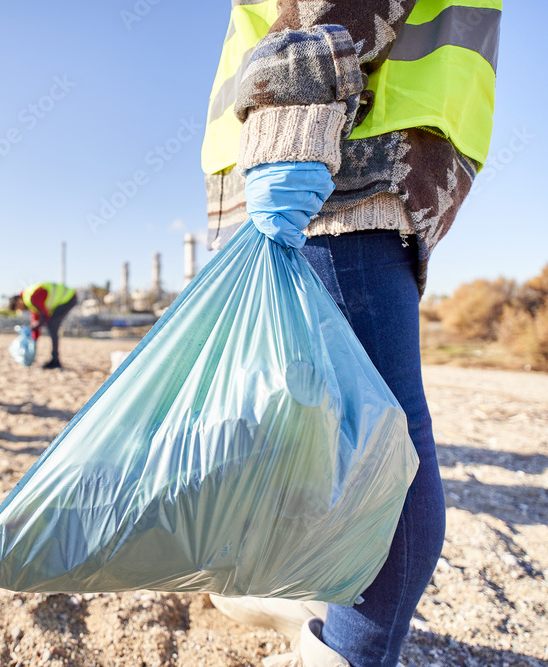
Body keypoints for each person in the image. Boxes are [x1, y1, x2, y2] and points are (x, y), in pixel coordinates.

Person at [200, 2, 500, 666]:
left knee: (377, 446)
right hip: (338, 150)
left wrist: (289, 126)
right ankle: (315, 598)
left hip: (335, 153)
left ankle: (352, 651)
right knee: (335, 431)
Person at [9, 282, 77, 369]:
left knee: (52, 324)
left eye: (19, 308)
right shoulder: (30, 302)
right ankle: (55, 359)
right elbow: (37, 322)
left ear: (19, 301)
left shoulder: (32, 298)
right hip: (65, 298)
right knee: (51, 325)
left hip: (69, 297)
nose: (22, 310)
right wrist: (32, 342)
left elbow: (44, 317)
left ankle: (55, 360)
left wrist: (32, 328)